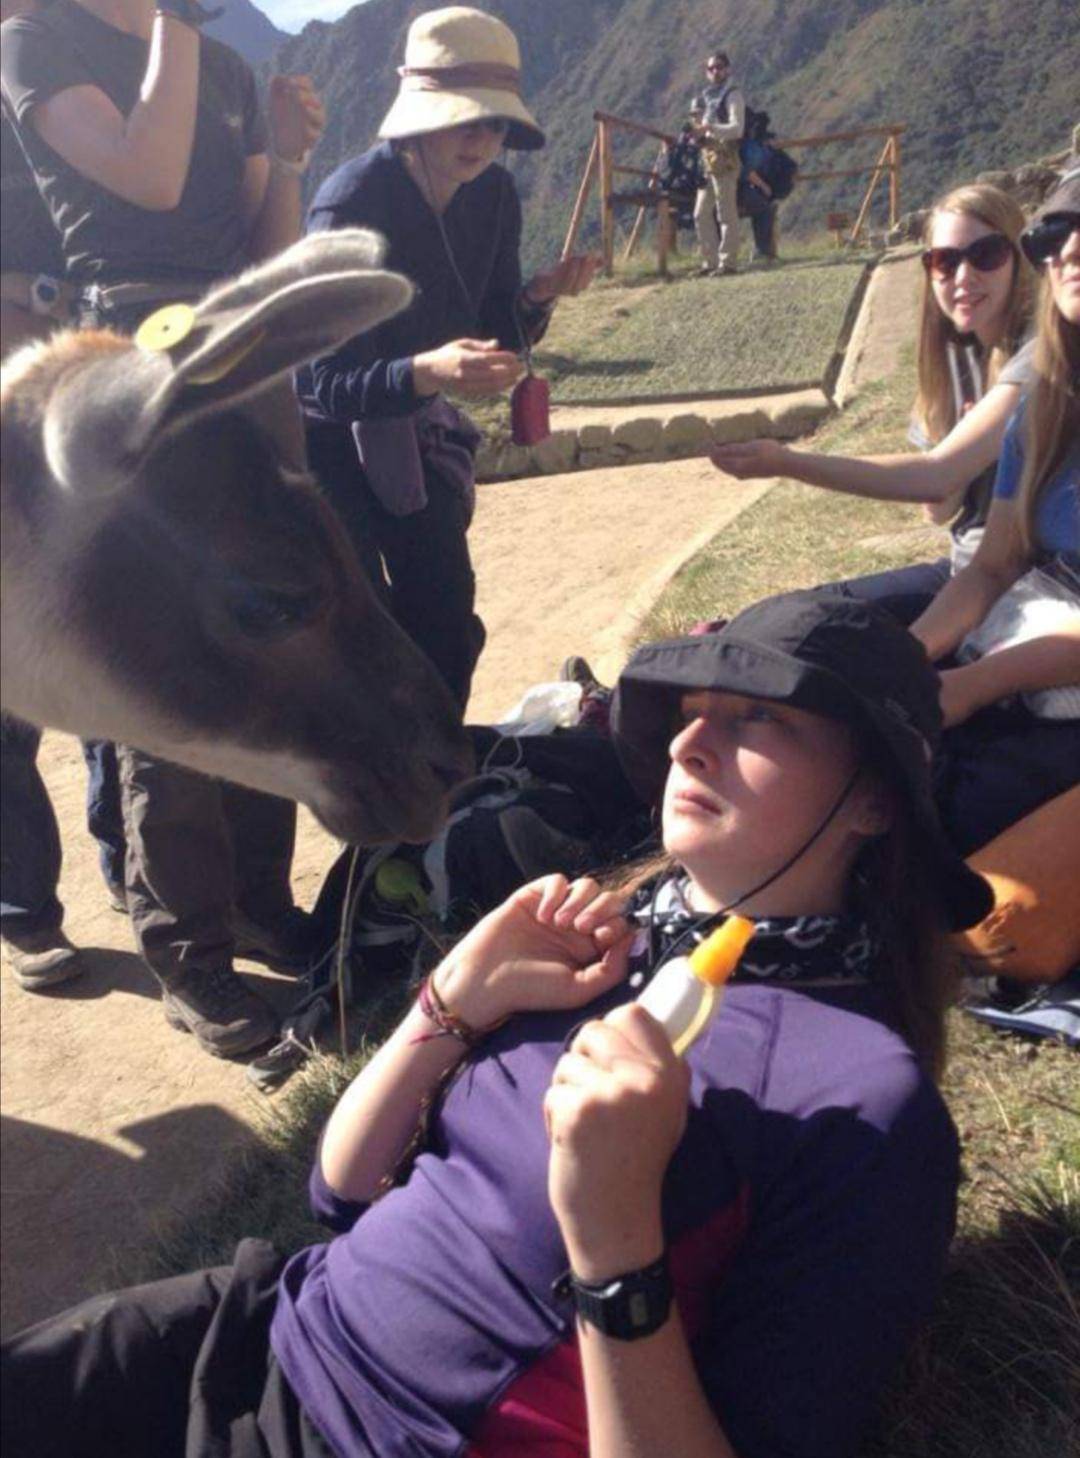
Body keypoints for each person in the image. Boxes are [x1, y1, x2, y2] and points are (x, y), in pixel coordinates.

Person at [1, 591, 994, 1458]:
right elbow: (339, 1196)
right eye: (692, 715)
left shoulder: (862, 1105)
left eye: (756, 719)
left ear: (872, 802)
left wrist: (614, 1236)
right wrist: (455, 998)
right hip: (260, 1331)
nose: (692, 740)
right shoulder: (601, 945)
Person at [0, 0, 327, 1055]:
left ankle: (260, 903)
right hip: (128, 356)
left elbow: (262, 248)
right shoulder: (36, 40)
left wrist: (282, 153)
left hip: (238, 354)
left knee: (278, 634)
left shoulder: (223, 67)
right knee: (168, 672)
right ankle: (189, 955)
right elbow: (144, 177)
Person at [298, 6, 598, 710]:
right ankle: (378, 816)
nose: (483, 138)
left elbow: (493, 322)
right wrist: (426, 372)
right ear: (421, 115)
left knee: (445, 616)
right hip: (326, 441)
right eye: (467, 118)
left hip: (410, 427)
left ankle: (435, 791)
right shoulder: (348, 206)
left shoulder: (493, 195)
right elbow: (323, 381)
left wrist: (537, 297)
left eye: (495, 123)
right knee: (360, 633)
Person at [712, 182, 1038, 619]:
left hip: (1021, 586)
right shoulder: (955, 360)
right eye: (945, 261)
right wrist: (958, 447)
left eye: (986, 255)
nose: (963, 277)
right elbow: (939, 510)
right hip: (966, 571)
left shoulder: (1039, 354)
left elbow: (934, 477)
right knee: (787, 615)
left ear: (1019, 259)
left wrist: (785, 462)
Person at [910, 167, 1080, 857]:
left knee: (938, 816)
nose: (1067, 251)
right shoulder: (1045, 407)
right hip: (1036, 643)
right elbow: (993, 566)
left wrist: (976, 686)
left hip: (1042, 676)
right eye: (1057, 237)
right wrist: (899, 661)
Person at [689, 49, 745, 277]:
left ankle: (728, 262)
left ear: (727, 69)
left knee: (726, 213)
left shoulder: (733, 95)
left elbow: (737, 129)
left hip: (725, 159)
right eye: (711, 68)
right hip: (708, 160)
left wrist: (709, 128)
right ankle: (709, 262)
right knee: (701, 214)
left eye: (719, 67)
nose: (715, 71)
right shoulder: (707, 98)